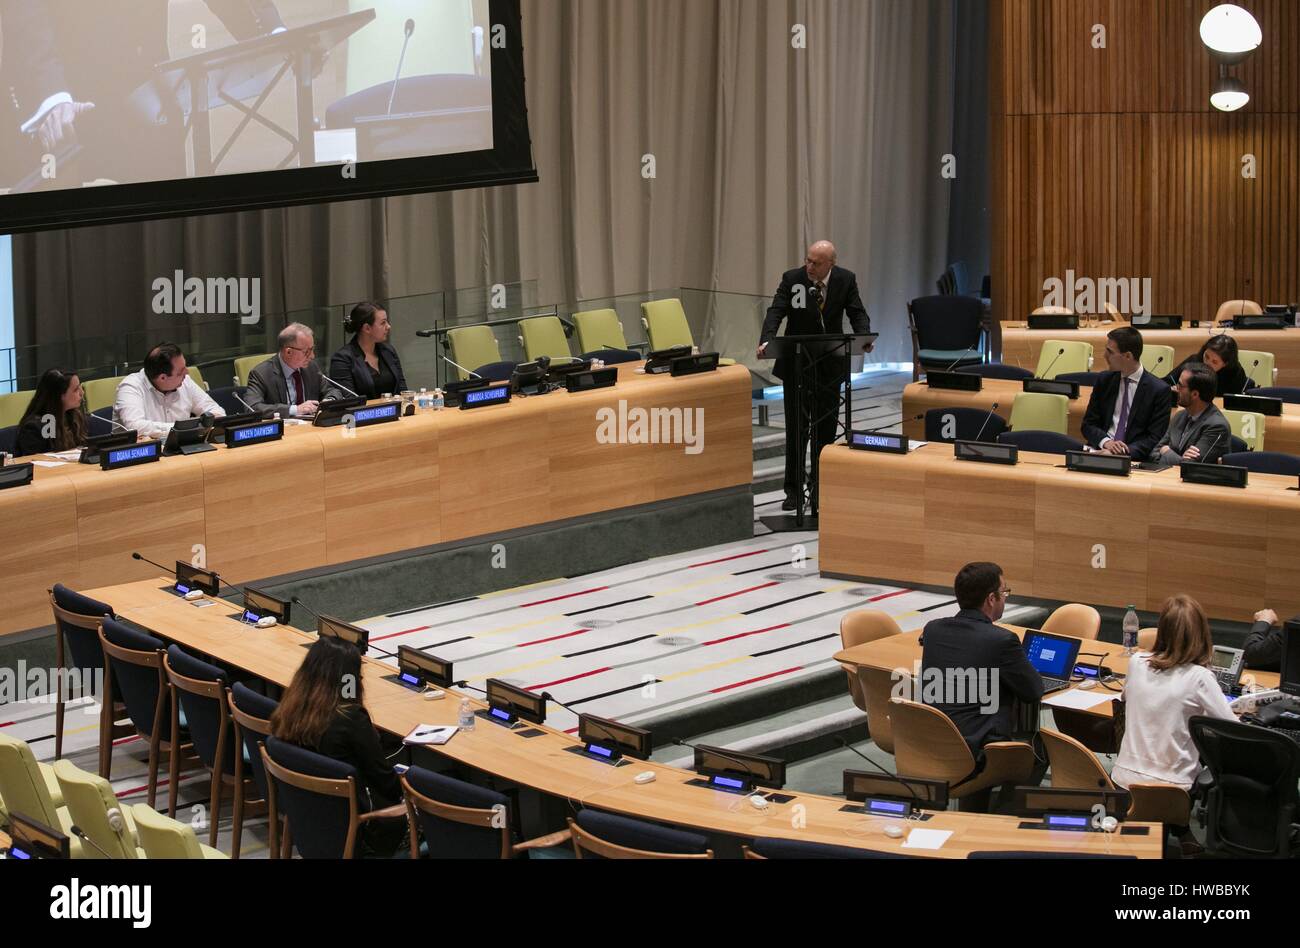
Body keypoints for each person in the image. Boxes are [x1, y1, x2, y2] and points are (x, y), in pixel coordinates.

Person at [0, 1, 285, 190]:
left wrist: (274, 35)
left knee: (165, 243)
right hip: (67, 110)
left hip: (151, 103)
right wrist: (51, 95)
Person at [757, 241, 873, 511]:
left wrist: (865, 335)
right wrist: (766, 340)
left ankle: (820, 488)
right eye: (807, 260)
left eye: (816, 263)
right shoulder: (793, 279)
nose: (809, 267)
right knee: (797, 431)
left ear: (830, 264)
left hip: (830, 367)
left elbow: (857, 313)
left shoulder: (845, 279)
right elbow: (776, 312)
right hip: (797, 364)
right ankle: (794, 492)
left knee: (826, 431)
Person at [269, 637, 404, 858]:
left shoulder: (291, 709)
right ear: (349, 679)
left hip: (312, 822)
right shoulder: (350, 718)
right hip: (362, 830)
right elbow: (386, 783)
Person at [918, 562, 1044, 761]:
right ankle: (997, 792)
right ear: (991, 599)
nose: (1005, 598)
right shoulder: (1002, 640)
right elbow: (1034, 691)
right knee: (1041, 750)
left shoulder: (932, 630)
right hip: (979, 750)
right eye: (1004, 592)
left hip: (933, 743)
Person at [1111, 595, 1236, 791]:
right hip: (1172, 789)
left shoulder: (1136, 661)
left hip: (1122, 782)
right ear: (1201, 633)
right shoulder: (1200, 678)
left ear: (1162, 629)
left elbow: (1126, 698)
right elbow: (1232, 729)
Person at [1081, 326, 1173, 459]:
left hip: (1132, 458)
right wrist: (1106, 443)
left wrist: (1120, 452)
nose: (1104, 356)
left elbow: (1154, 438)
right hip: (1100, 451)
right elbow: (1088, 424)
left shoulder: (1159, 390)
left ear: (1128, 356)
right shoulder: (1104, 380)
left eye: (1110, 352)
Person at [112, 342, 225, 441]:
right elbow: (135, 426)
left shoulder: (185, 382)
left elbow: (217, 412)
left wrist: (196, 425)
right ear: (162, 378)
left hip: (180, 452)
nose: (187, 372)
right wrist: (182, 428)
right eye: (181, 372)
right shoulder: (130, 387)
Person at [245, 324, 342, 418]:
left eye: (312, 349)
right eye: (307, 351)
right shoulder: (261, 374)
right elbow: (252, 407)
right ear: (288, 352)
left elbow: (333, 391)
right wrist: (295, 410)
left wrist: (328, 401)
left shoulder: (311, 368)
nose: (312, 356)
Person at [1149, 362, 1231, 468]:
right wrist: (1181, 459)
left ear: (1195, 394)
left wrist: (1166, 451)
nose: (1175, 388)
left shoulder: (1217, 426)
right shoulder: (1179, 416)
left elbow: (1192, 467)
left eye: (1180, 385)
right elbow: (1153, 453)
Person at [329, 302, 407, 400]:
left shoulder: (388, 351)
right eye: (383, 323)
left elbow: (402, 390)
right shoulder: (342, 359)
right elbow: (348, 400)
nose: (388, 326)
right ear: (367, 328)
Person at [14, 367, 88, 456]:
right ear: (59, 395)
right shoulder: (34, 428)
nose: (82, 392)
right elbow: (40, 463)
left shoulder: (73, 415)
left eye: (80, 386)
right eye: (76, 390)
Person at [1165, 334, 1254, 397]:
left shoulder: (1235, 373)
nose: (1207, 363)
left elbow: (1237, 401)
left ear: (1225, 364)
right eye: (1206, 356)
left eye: (1214, 362)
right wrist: (1171, 389)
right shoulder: (1194, 361)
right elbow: (1166, 382)